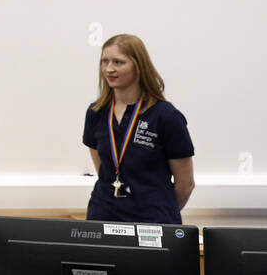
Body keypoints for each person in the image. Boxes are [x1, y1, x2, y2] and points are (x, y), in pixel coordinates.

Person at [82, 34, 195, 225]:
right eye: (105, 61)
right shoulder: (96, 113)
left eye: (118, 62)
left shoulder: (166, 116)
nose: (109, 69)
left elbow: (186, 184)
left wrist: (157, 210)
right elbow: (105, 171)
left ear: (138, 66)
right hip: (103, 218)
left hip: (151, 223)